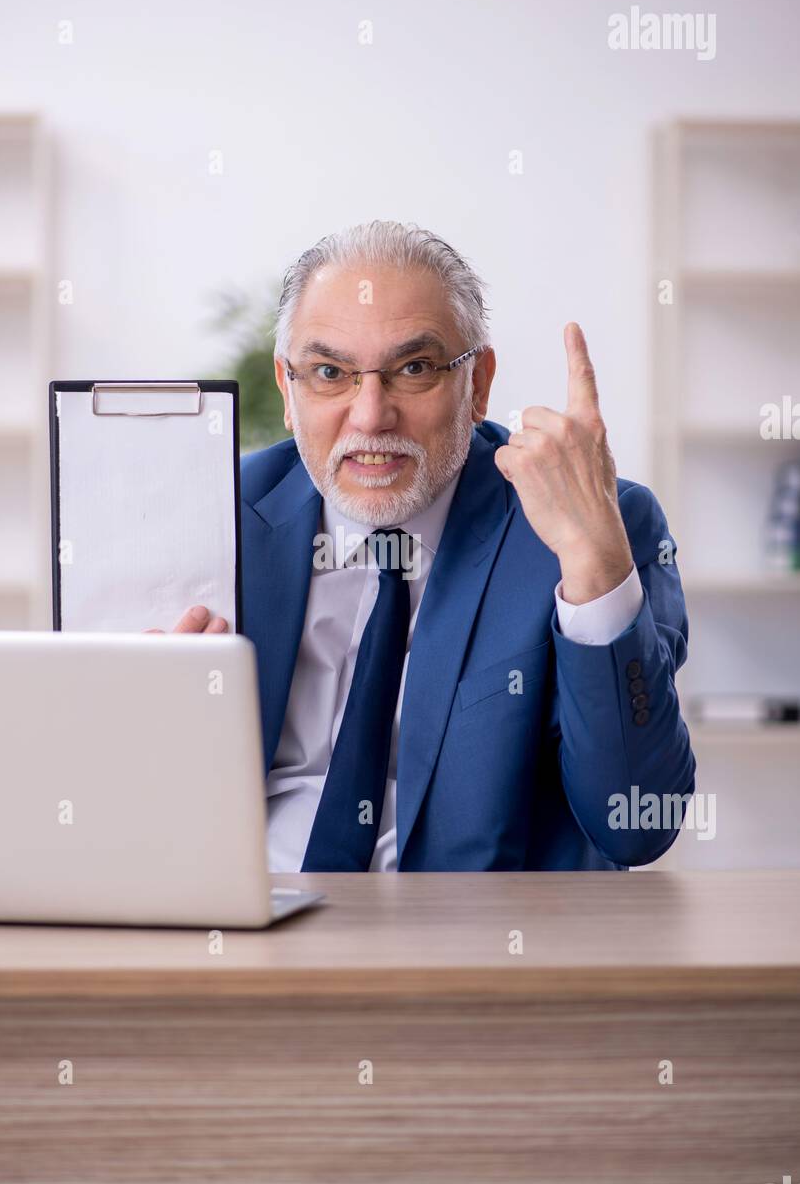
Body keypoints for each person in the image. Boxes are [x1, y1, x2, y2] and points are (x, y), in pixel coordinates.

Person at [161, 220, 695, 872]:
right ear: (287, 385)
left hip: (473, 945)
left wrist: (594, 565)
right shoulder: (214, 516)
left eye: (413, 368)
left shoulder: (590, 522)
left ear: (477, 384)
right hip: (246, 920)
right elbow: (121, 799)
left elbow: (635, 821)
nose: (369, 416)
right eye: (329, 371)